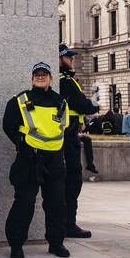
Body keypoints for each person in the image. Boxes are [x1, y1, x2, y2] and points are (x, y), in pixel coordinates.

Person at [3, 62, 70, 258]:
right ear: (32, 78)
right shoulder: (20, 100)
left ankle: (56, 243)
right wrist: (21, 144)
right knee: (24, 203)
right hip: (29, 158)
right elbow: (8, 125)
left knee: (56, 204)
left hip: (55, 159)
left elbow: (63, 127)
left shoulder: (60, 101)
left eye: (44, 74)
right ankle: (16, 245)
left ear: (51, 78)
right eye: (37, 74)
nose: (40, 77)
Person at [57, 45, 99, 239]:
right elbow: (83, 105)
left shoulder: (61, 80)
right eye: (68, 57)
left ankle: (64, 221)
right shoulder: (66, 81)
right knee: (72, 181)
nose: (71, 59)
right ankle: (68, 223)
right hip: (68, 136)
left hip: (64, 134)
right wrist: (91, 105)